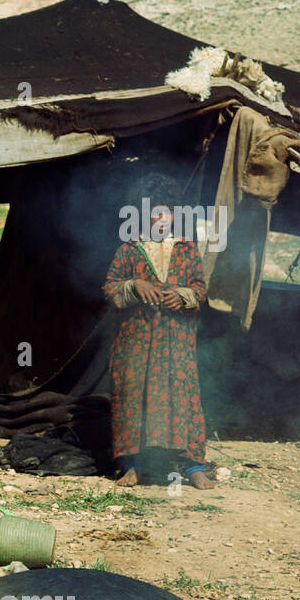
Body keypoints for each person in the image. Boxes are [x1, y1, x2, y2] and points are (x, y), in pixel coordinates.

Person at [103, 175, 214, 490]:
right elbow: (110, 287)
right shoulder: (129, 249)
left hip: (176, 340)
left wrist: (182, 295)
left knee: (183, 398)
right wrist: (134, 286)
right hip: (135, 340)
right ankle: (132, 466)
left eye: (166, 212)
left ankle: (193, 466)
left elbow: (200, 289)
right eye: (154, 213)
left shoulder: (186, 249)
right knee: (132, 398)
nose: (161, 219)